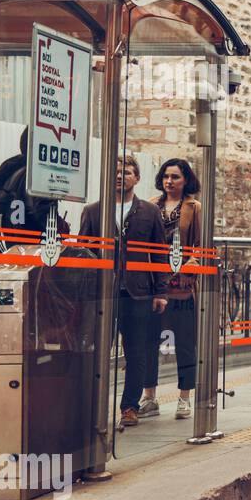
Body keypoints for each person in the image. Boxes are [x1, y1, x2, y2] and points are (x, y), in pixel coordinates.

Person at [80, 155, 168, 431]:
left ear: (137, 178)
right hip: (102, 293)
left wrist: (160, 291)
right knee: (97, 351)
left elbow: (160, 253)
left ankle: (129, 407)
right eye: (116, 172)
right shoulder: (93, 211)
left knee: (136, 352)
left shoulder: (150, 212)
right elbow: (83, 254)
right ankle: (92, 405)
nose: (121, 176)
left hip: (138, 292)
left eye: (127, 172)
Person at [138, 158, 202, 421]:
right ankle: (149, 396)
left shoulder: (194, 207)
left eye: (175, 177)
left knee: (185, 343)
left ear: (185, 179)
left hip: (182, 286)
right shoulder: (152, 204)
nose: (169, 181)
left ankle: (184, 397)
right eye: (166, 176)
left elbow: (199, 245)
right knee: (148, 341)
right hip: (155, 283)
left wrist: (190, 265)